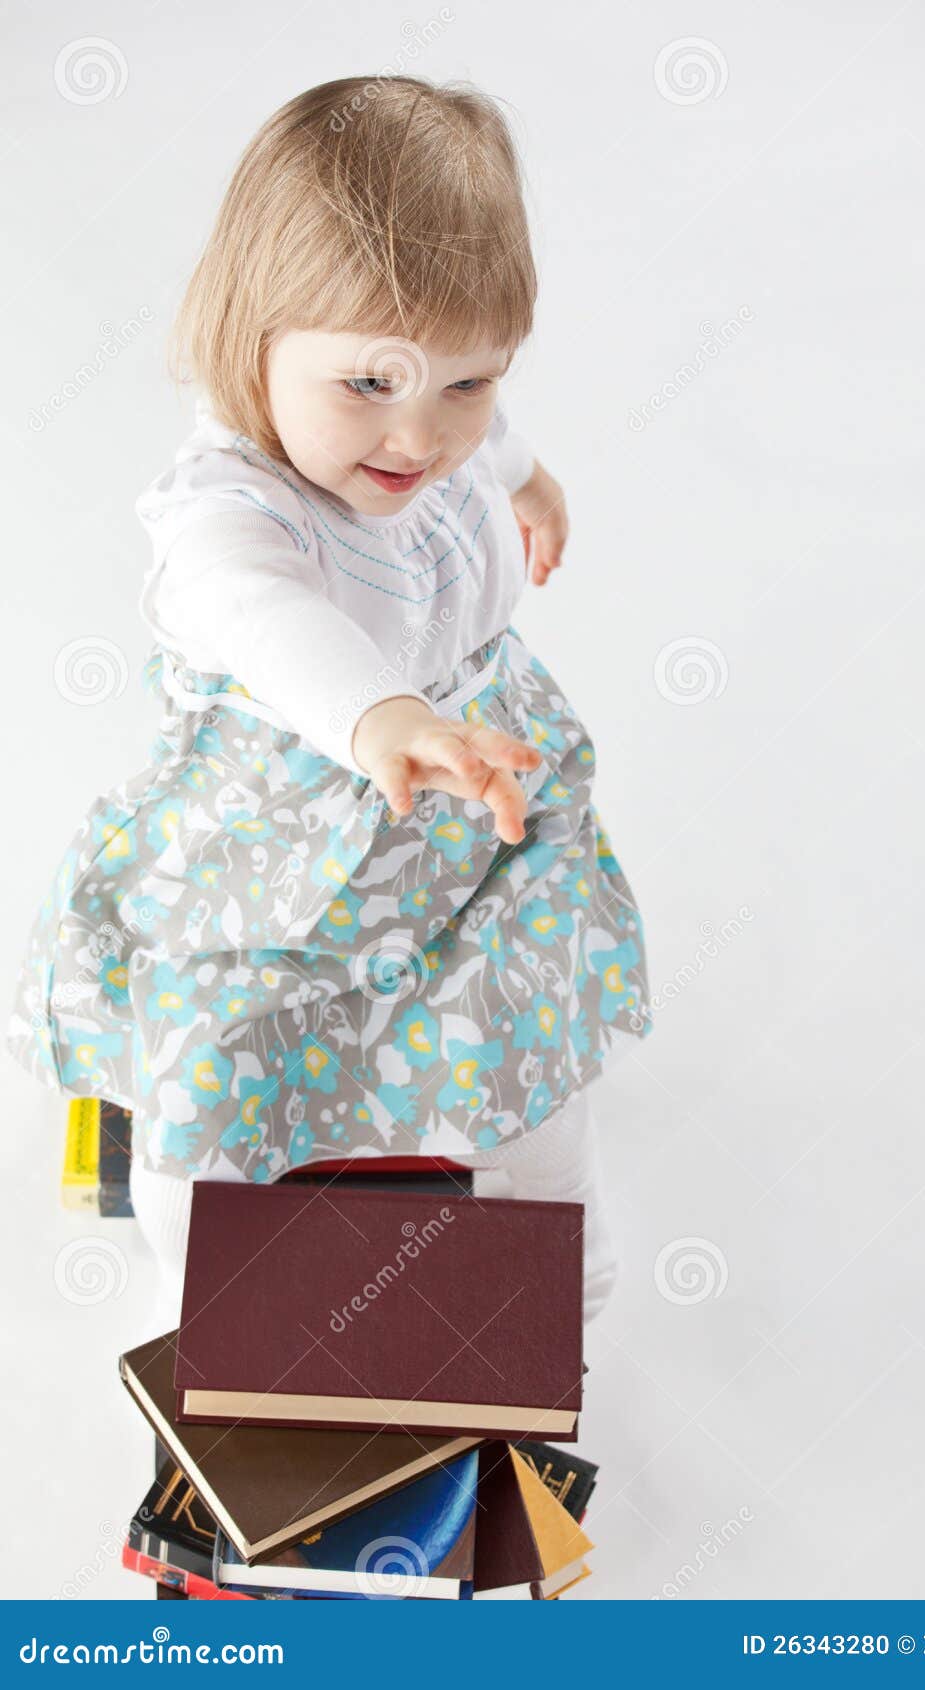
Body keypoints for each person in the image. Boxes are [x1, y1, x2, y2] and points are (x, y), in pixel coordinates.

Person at [7, 76, 652, 1322]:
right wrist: (383, 717)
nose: (421, 440)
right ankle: (204, 1285)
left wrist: (527, 478)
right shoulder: (225, 509)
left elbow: (485, 430)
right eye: (370, 387)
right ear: (253, 337)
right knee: (221, 1069)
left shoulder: (438, 418)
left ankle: (556, 1229)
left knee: (515, 1013)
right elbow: (266, 616)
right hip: (281, 855)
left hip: (467, 804)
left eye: (467, 384)